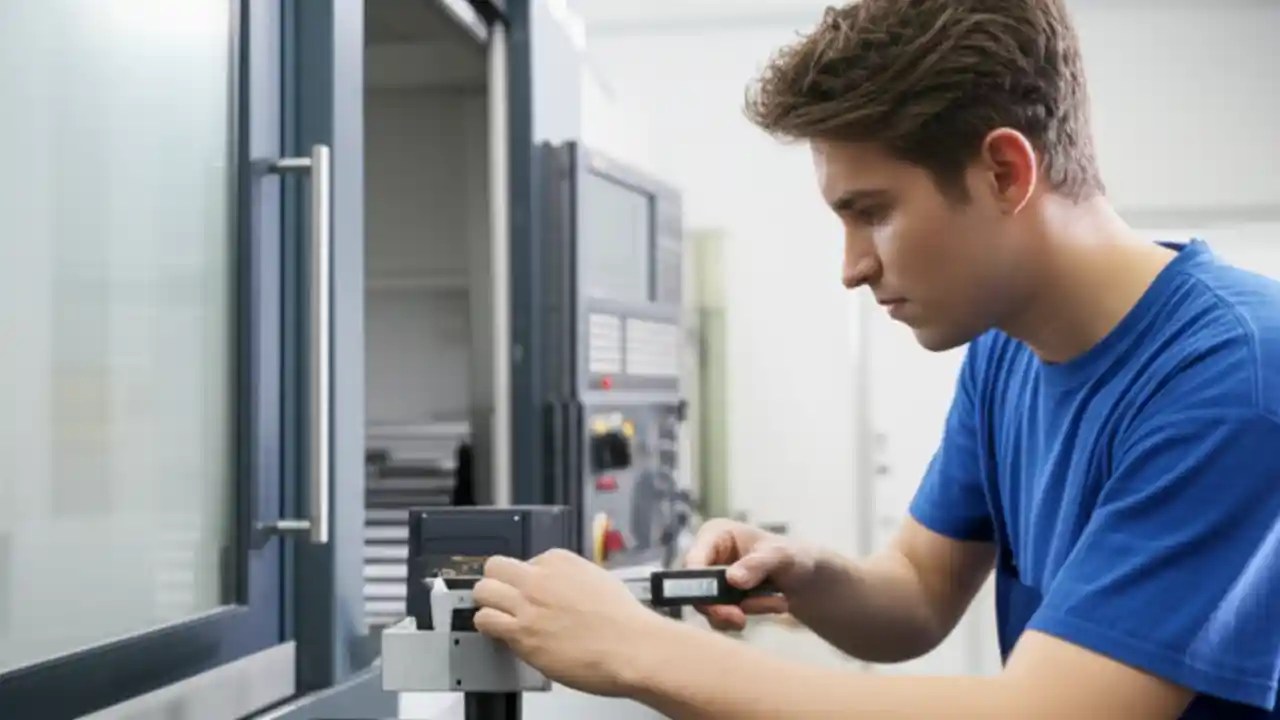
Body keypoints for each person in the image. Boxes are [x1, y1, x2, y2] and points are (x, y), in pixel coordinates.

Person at [471, 0, 1280, 717]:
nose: (852, 266)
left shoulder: (1233, 375)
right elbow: (919, 591)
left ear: (1005, 171)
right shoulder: (1007, 349)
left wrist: (635, 651)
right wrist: (809, 573)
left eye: (873, 214)